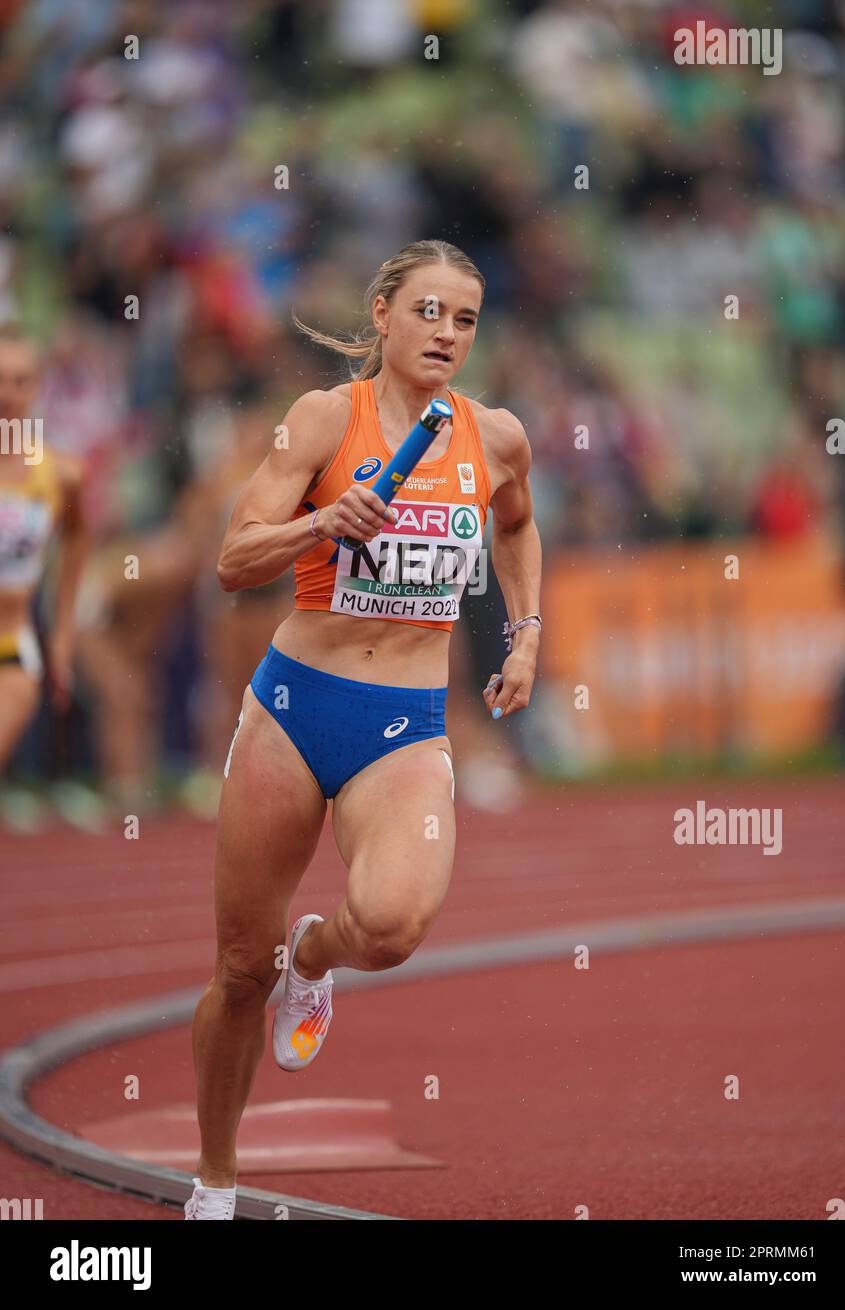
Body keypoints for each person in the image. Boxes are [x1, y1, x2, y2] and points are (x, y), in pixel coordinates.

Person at [185, 240, 542, 1219]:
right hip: (293, 709)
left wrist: (525, 633)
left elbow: (515, 523)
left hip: (404, 726)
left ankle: (314, 958)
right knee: (238, 968)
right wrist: (320, 523)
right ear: (382, 314)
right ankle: (214, 1178)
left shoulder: (494, 437)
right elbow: (232, 560)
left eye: (464, 319)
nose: (446, 333)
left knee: (390, 926)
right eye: (428, 311)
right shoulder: (320, 419)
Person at [0, 323, 88, 788]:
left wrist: (61, 639)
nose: (7, 394)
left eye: (20, 381)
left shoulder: (62, 475)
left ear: (37, 388)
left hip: (12, 650)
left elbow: (77, 541)